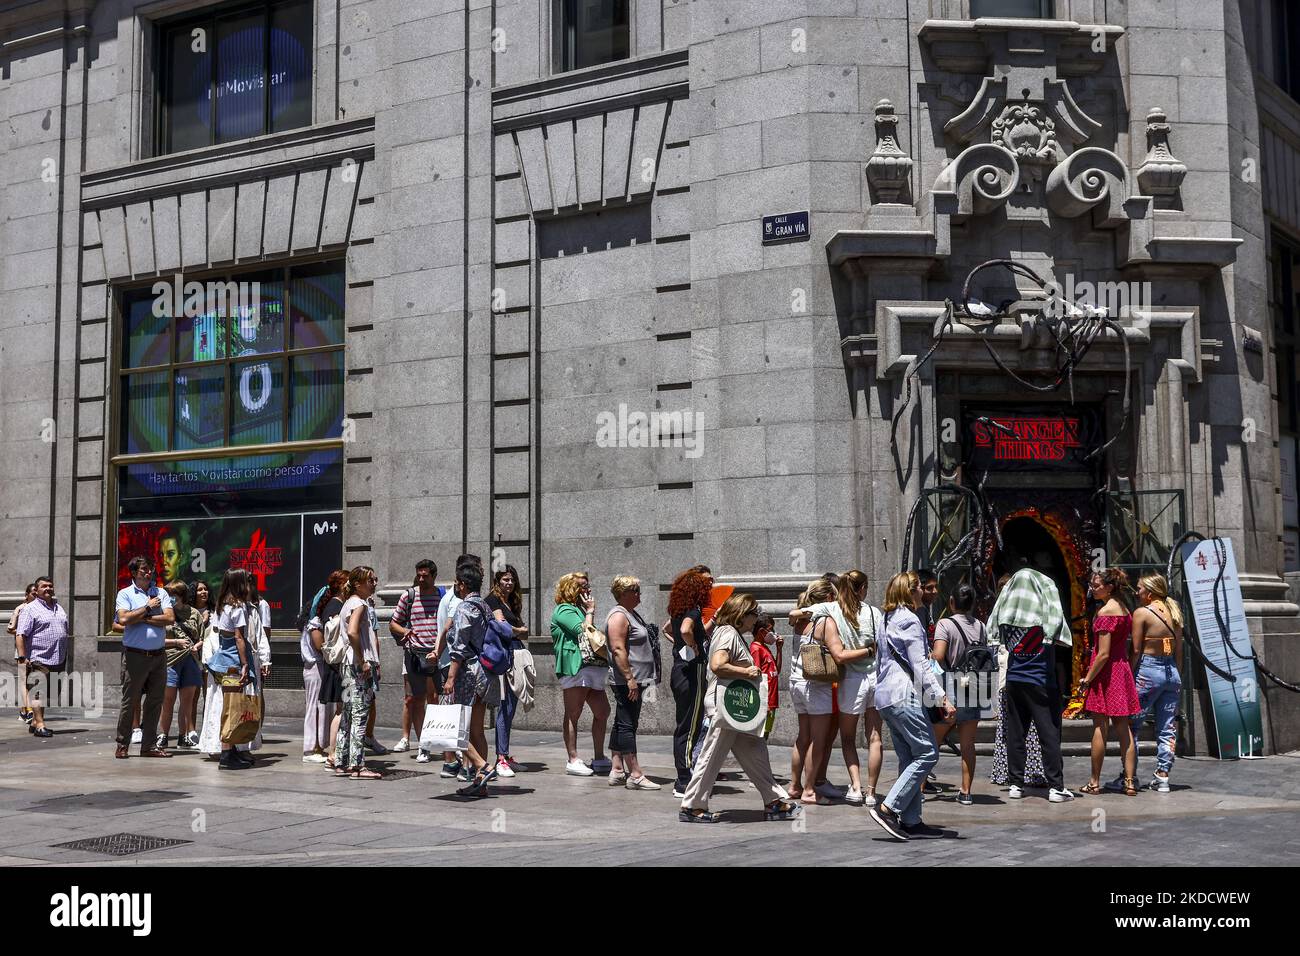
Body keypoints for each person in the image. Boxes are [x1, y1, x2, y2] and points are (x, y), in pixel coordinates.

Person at [679, 593, 801, 823]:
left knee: (756, 752)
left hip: (736, 707)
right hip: (725, 705)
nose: (756, 619)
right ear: (741, 615)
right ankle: (692, 806)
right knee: (711, 755)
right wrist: (747, 672)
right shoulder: (727, 633)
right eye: (753, 614)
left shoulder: (730, 633)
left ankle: (774, 801)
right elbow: (717, 665)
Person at [866, 572, 954, 841]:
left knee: (909, 758)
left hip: (886, 697)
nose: (923, 594)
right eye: (919, 589)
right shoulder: (910, 620)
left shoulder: (886, 619)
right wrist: (942, 698)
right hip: (903, 695)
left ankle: (912, 820)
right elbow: (921, 665)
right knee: (927, 753)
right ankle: (889, 807)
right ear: (911, 591)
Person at [788, 569, 883, 807]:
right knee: (868, 737)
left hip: (823, 681)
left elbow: (793, 614)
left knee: (826, 737)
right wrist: (870, 650)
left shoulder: (823, 613)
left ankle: (844, 787)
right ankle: (866, 792)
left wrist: (798, 614)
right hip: (862, 678)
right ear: (862, 589)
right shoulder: (867, 613)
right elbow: (841, 654)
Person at [987, 567, 1074, 803]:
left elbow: (994, 636)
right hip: (1041, 683)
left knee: (1016, 734)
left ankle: (1016, 783)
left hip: (1015, 681)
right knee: (1049, 733)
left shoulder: (1007, 620)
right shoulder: (1044, 619)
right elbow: (1061, 639)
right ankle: (1056, 787)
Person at [1078, 568, 1141, 796]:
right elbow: (1131, 647)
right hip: (1121, 670)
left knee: (1100, 727)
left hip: (1105, 674)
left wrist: (1087, 679)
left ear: (1110, 586)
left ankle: (1094, 782)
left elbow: (1103, 654)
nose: (1093, 589)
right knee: (1124, 730)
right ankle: (1130, 781)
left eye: (1097, 585)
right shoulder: (1125, 609)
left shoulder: (1106, 613)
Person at [443, 560, 502, 797]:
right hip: (486, 673)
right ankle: (481, 784)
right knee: (477, 730)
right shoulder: (486, 606)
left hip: (468, 673)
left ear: (463, 584)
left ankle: (482, 766)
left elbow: (458, 647)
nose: (457, 586)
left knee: (455, 729)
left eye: (458, 583)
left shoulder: (465, 608)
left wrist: (449, 678)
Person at [930, 583, 989, 805]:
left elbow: (938, 656)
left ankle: (922, 783)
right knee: (968, 744)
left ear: (951, 602)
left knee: (933, 740)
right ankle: (966, 791)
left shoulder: (945, 624)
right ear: (972, 603)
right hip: (974, 687)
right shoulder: (981, 626)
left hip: (950, 687)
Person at [113, 557, 176, 759]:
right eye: (144, 570)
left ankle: (148, 745)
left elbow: (169, 618)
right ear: (134, 573)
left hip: (158, 655)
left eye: (150, 569)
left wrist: (140, 618)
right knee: (130, 701)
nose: (148, 573)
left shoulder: (161, 592)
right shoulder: (125, 594)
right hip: (135, 656)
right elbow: (122, 619)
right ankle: (123, 743)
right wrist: (148, 607)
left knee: (155, 701)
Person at [550, 571, 611, 776]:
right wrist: (591, 611)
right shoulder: (563, 609)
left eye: (587, 585)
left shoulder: (578, 608)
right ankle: (572, 758)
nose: (588, 589)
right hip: (574, 665)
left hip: (591, 666)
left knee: (603, 711)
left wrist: (587, 611)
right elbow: (583, 631)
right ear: (571, 588)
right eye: (583, 586)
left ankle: (599, 755)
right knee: (573, 713)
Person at [604, 575, 660, 790]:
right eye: (635, 590)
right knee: (628, 724)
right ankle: (635, 773)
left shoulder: (630, 613)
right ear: (623, 593)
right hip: (628, 680)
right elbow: (618, 649)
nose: (639, 593)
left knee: (622, 722)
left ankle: (617, 768)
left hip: (637, 678)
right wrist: (630, 679)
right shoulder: (618, 616)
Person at [1129, 573, 1184, 793]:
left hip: (1148, 672)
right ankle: (1163, 775)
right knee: (1167, 726)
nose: (1136, 592)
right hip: (1171, 673)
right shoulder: (1175, 612)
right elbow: (1179, 650)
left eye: (1139, 588)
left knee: (1132, 725)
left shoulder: (1142, 613)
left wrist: (1130, 674)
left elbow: (1135, 650)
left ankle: (1129, 775)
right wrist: (1176, 676)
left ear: (1150, 593)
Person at [786, 578, 837, 804]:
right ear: (827, 599)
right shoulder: (824, 622)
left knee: (803, 737)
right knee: (818, 740)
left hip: (796, 680)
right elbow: (837, 651)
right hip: (816, 684)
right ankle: (809, 789)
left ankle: (794, 785)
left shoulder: (799, 620)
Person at [204, 568, 257, 770]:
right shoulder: (238, 606)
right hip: (234, 660)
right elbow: (239, 637)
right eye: (246, 580)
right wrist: (245, 664)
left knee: (230, 706)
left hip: (224, 658)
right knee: (232, 707)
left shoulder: (222, 605)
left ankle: (231, 749)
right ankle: (227, 753)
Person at [666, 567, 712, 796]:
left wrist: (683, 645)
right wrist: (692, 645)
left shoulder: (678, 610)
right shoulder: (692, 612)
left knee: (684, 724)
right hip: (691, 672)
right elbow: (685, 630)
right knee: (691, 726)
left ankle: (685, 774)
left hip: (679, 670)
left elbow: (672, 630)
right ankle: (684, 779)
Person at [389, 559, 442, 758]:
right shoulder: (408, 596)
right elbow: (393, 624)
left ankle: (445, 743)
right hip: (415, 655)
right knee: (417, 700)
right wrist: (406, 631)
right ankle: (423, 745)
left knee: (439, 699)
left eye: (425, 576)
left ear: (434, 576)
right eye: (419, 575)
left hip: (438, 655)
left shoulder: (442, 596)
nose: (421, 579)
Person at [335, 566, 382, 779]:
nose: (374, 583)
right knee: (360, 715)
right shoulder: (360, 604)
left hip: (346, 664)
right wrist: (363, 661)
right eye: (370, 580)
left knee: (347, 714)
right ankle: (358, 765)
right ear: (358, 584)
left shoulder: (347, 604)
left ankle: (341, 761)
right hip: (357, 666)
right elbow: (353, 632)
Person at [434, 553, 478, 780]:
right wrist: (450, 674)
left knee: (452, 715)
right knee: (461, 718)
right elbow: (451, 630)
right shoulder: (459, 602)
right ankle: (466, 765)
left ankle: (451, 762)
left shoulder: (449, 597)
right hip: (455, 664)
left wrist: (436, 652)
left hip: (448, 661)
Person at [486, 564, 530, 777]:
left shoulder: (510, 602)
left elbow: (517, 631)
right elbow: (502, 627)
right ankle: (500, 758)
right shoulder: (493, 601)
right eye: (505, 579)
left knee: (511, 706)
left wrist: (518, 632)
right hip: (502, 657)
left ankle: (505, 754)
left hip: (514, 654)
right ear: (497, 581)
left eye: (512, 580)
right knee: (504, 705)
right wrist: (519, 631)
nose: (509, 583)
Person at [14, 576, 68, 738]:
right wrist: (23, 657)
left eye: (50, 586)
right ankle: (40, 726)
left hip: (57, 657)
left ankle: (34, 722)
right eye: (44, 586)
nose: (48, 589)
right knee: (39, 692)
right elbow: (20, 634)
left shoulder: (59, 608)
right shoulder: (30, 609)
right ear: (36, 591)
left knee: (50, 693)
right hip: (39, 657)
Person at [302, 571, 346, 764]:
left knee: (323, 708)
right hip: (314, 667)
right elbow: (320, 646)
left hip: (321, 667)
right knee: (314, 707)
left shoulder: (317, 622)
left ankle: (320, 745)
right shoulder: (314, 624)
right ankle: (311, 748)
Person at [157, 581, 203, 749]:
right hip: (170, 660)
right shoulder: (164, 613)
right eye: (168, 594)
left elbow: (202, 636)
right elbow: (156, 639)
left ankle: (184, 736)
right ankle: (163, 734)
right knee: (167, 700)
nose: (171, 598)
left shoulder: (194, 613)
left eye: (174, 594)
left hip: (190, 660)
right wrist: (175, 642)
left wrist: (198, 645)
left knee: (187, 701)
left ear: (182, 595)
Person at [749, 612, 781, 740]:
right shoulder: (756, 649)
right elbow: (755, 674)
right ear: (762, 631)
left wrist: (779, 650)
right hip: (764, 701)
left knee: (765, 733)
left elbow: (776, 670)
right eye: (771, 629)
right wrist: (762, 702)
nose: (773, 632)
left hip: (771, 701)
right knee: (760, 736)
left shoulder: (764, 648)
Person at [9, 582, 37, 725]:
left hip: (36, 651)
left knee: (30, 682)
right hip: (22, 650)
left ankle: (23, 711)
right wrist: (24, 631)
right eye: (33, 593)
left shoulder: (40, 608)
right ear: (27, 595)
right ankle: (29, 710)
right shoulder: (21, 608)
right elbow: (10, 628)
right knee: (23, 681)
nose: (36, 595)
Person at [916, 568, 939, 643]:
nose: (935, 591)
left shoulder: (924, 609)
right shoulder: (918, 612)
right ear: (919, 589)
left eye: (936, 587)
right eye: (929, 588)